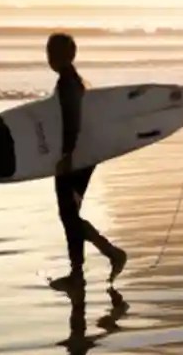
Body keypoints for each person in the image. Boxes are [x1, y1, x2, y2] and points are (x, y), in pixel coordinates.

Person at [46, 33, 127, 291]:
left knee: (69, 215)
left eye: (51, 52)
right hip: (81, 155)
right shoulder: (72, 80)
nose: (48, 57)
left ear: (63, 56)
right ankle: (83, 269)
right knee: (70, 215)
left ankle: (107, 256)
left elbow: (73, 123)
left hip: (75, 157)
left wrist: (66, 157)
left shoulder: (69, 83)